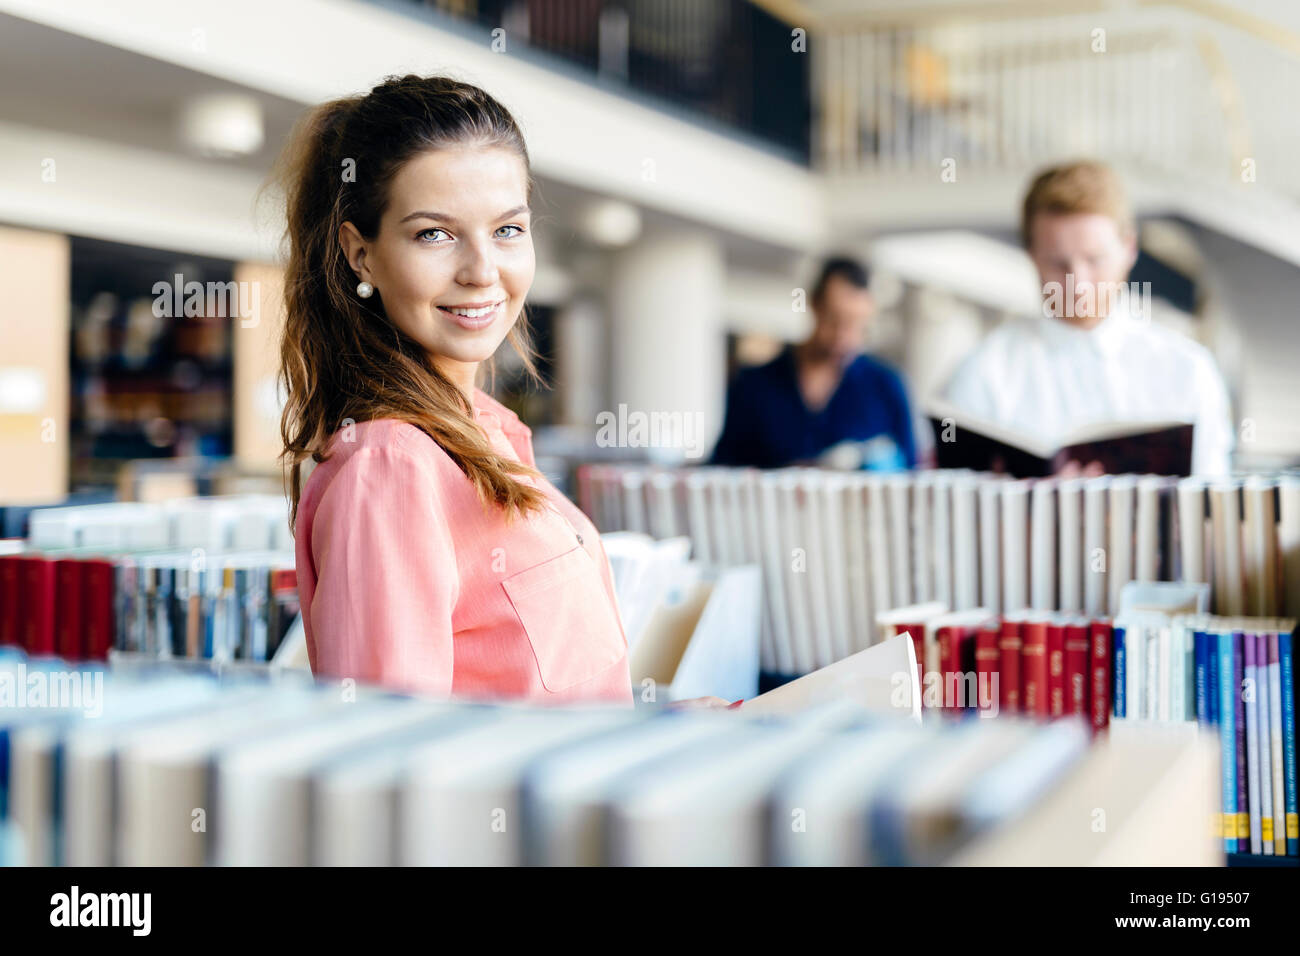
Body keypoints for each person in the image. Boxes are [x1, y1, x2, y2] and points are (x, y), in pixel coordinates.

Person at [275, 75, 730, 708]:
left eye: (508, 230)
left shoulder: (486, 430)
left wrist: (659, 731)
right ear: (361, 255)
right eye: (433, 233)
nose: (482, 270)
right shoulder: (389, 470)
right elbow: (390, 768)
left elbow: (533, 706)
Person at [940, 160, 1233, 476]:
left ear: (1129, 248)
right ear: (1031, 255)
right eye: (1058, 263)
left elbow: (1211, 510)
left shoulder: (1187, 371)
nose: (1077, 284)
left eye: (1094, 259)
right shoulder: (984, 374)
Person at [709, 257, 919, 470]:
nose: (843, 336)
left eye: (856, 324)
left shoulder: (888, 387)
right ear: (814, 305)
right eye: (834, 319)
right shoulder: (752, 385)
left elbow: (912, 475)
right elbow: (722, 468)